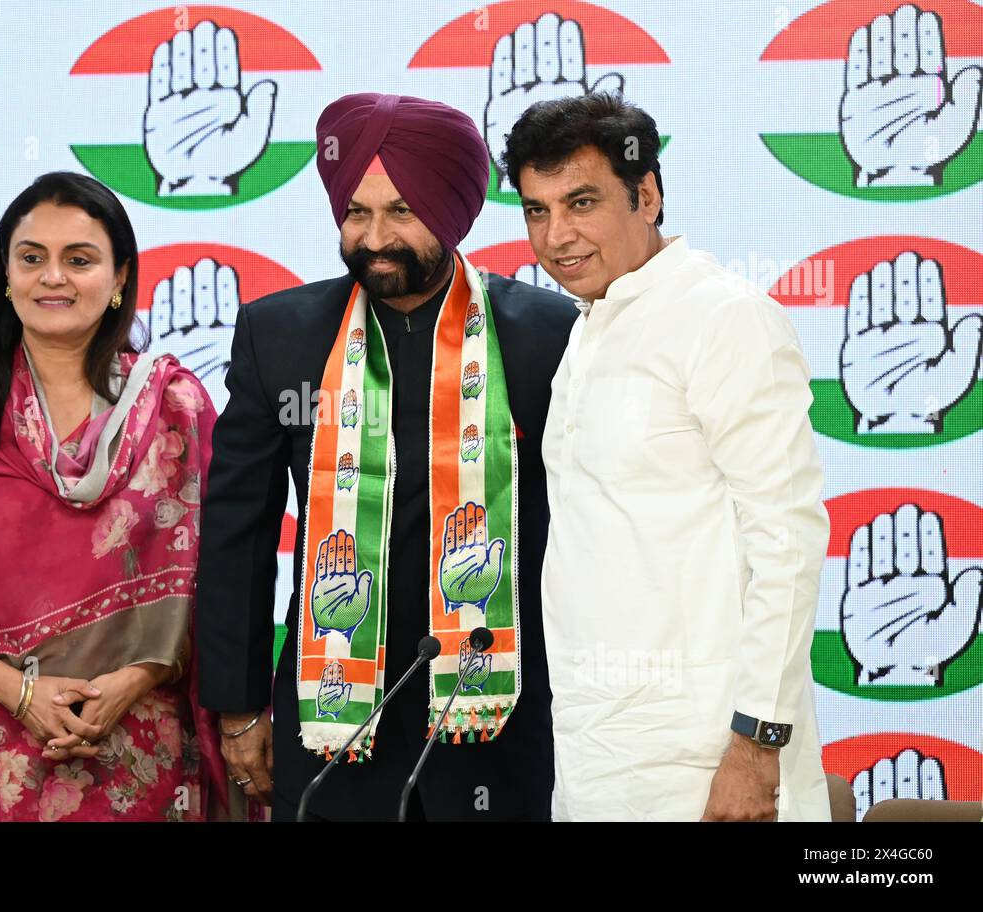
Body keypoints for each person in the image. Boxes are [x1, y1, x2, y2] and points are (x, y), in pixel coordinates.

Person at [196, 93, 578, 821]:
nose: (374, 237)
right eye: (355, 213)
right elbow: (236, 537)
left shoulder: (549, 337)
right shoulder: (279, 336)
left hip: (506, 720)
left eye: (402, 212)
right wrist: (238, 707)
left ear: (453, 210)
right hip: (330, 719)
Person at [502, 93, 831, 821]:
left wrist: (757, 742)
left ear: (646, 194)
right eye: (535, 210)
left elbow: (788, 539)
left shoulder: (724, 317)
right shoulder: (589, 327)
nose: (557, 236)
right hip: (596, 748)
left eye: (581, 201)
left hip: (712, 755)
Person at [0, 171, 227, 821]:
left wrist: (131, 682)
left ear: (121, 278)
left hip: (138, 744)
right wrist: (23, 692)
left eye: (80, 259)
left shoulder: (176, 407)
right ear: (5, 278)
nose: (54, 277)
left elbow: (218, 586)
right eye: (32, 258)